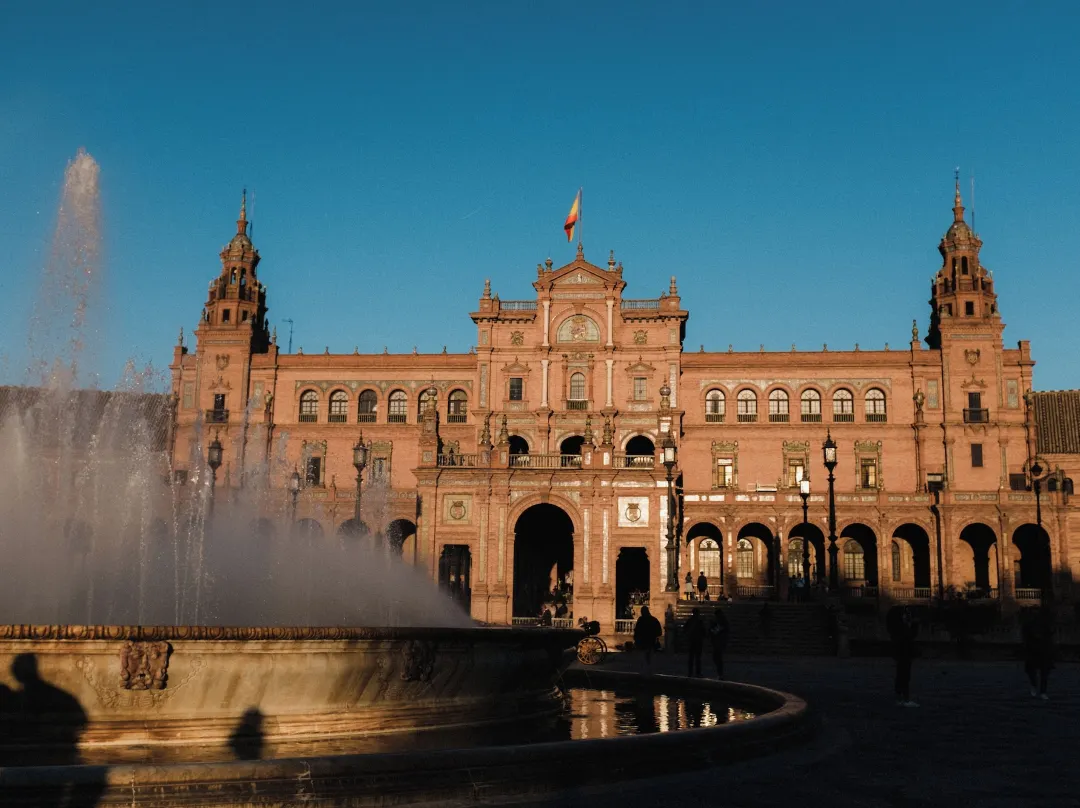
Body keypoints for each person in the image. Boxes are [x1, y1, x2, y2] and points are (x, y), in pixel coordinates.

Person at [887, 604, 919, 707]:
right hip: (903, 652)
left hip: (902, 652)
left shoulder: (897, 628)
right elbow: (910, 636)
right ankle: (905, 699)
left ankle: (900, 698)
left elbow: (911, 635)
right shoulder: (900, 628)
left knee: (902, 675)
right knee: (904, 675)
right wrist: (913, 625)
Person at [1022, 605, 1055, 700]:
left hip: (1043, 650)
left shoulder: (1044, 623)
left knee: (1044, 673)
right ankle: (1035, 685)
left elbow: (1049, 636)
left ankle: (1042, 691)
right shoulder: (1028, 624)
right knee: (1032, 672)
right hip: (1033, 650)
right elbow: (1025, 637)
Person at [633, 606, 663, 674]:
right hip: (651, 643)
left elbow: (636, 631)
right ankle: (650, 673)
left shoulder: (641, 620)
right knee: (650, 660)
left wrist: (636, 639)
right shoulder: (654, 620)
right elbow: (659, 632)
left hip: (642, 643)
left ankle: (644, 673)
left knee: (643, 660)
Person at [683, 607, 706, 677]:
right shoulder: (700, 621)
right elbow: (703, 631)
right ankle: (697, 673)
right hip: (698, 641)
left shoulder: (690, 620)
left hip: (692, 641)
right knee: (697, 658)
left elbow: (685, 629)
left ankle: (690, 672)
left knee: (691, 658)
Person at [708, 607, 730, 679]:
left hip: (719, 642)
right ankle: (720, 673)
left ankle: (720, 673)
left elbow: (717, 631)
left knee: (717, 658)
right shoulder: (722, 621)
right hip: (719, 641)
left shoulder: (722, 621)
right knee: (717, 658)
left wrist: (712, 630)